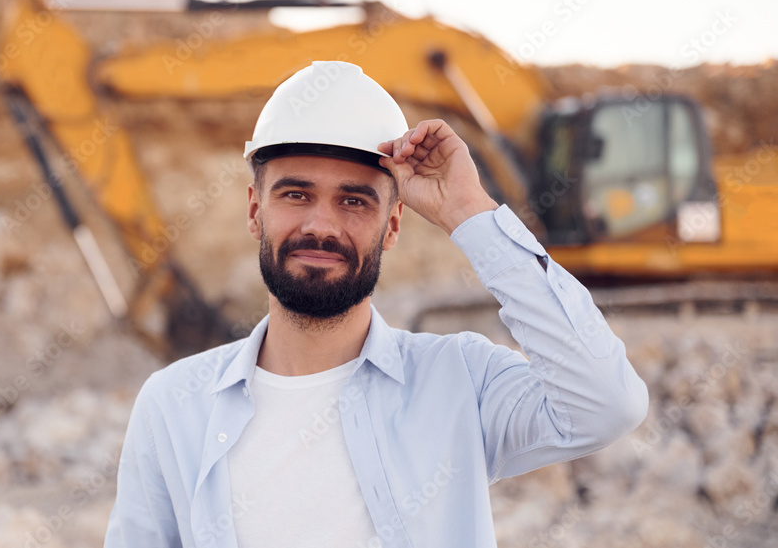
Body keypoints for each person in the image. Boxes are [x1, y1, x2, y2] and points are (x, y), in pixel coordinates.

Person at [103, 60, 648, 548]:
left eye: (354, 201)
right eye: (296, 194)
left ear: (391, 226)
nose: (321, 225)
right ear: (255, 211)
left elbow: (605, 403)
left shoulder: (461, 382)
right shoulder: (173, 406)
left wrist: (471, 214)